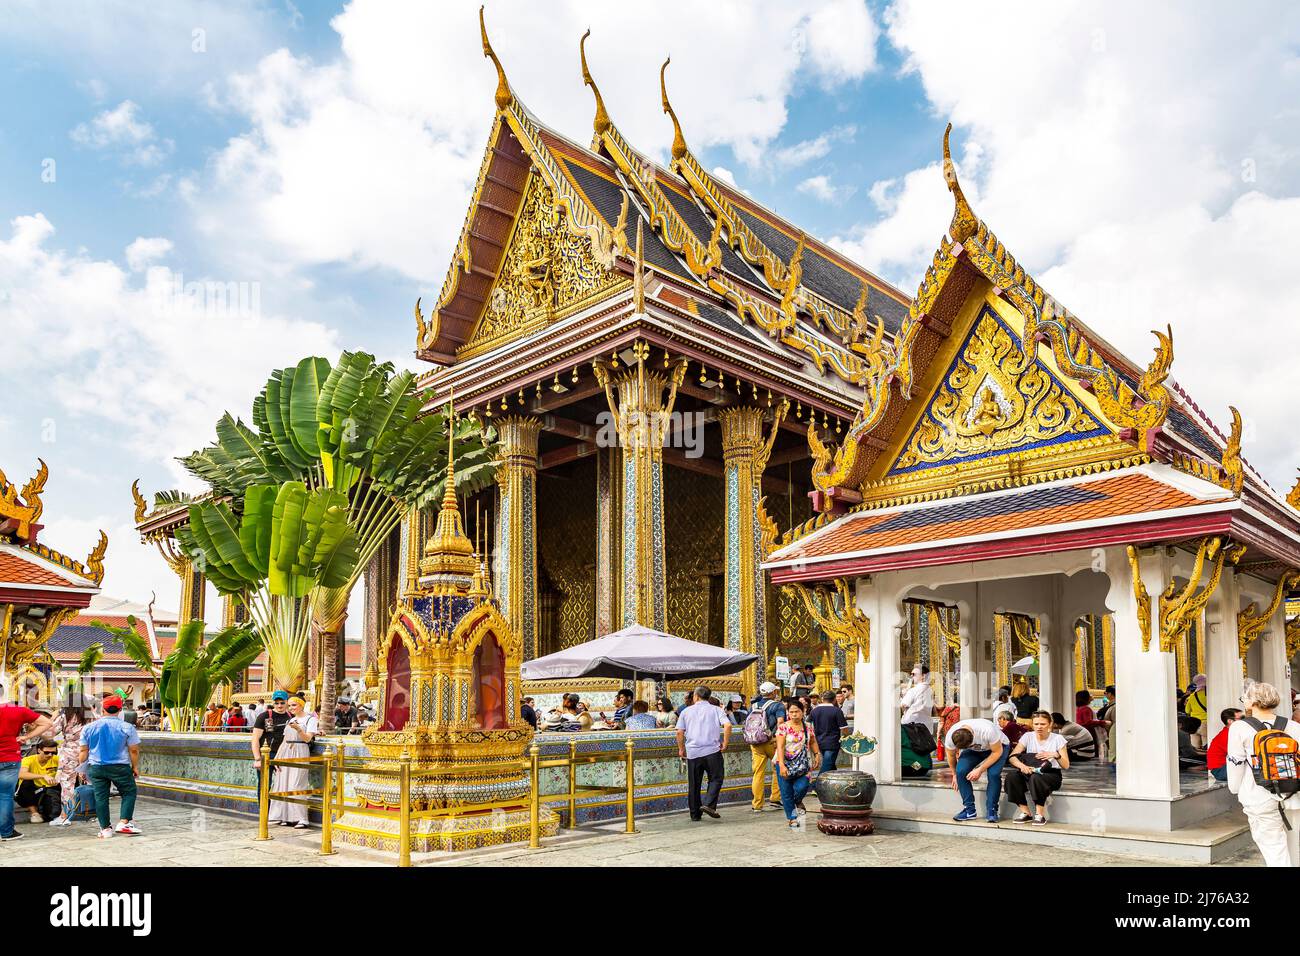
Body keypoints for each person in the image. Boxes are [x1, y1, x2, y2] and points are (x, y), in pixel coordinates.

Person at [1227, 681, 1300, 867]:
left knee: (1274, 850)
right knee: (1294, 849)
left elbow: (1236, 763)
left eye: (1245, 698)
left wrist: (1235, 789)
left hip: (1259, 795)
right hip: (1293, 795)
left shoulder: (1239, 728)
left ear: (1252, 702)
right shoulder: (1293, 726)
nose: (1244, 701)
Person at [78, 695, 141, 838]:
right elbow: (134, 750)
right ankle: (124, 822)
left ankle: (105, 829)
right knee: (129, 792)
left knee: (101, 797)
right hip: (120, 766)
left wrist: (82, 768)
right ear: (119, 710)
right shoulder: (127, 727)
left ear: (102, 710)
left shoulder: (88, 728)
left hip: (96, 767)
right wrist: (135, 766)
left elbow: (83, 751)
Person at [1004, 710, 1070, 826]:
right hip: (1029, 770)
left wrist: (1056, 755)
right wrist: (1022, 766)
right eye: (1036, 724)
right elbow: (1012, 757)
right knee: (1011, 777)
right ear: (1032, 724)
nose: (1039, 727)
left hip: (1050, 774)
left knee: (1036, 778)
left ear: (1050, 724)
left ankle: (1040, 814)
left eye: (1043, 724)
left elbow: (1066, 765)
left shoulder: (1058, 739)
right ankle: (1026, 813)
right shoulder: (1028, 736)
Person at [675, 686, 731, 821]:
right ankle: (708, 804)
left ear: (696, 696)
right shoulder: (716, 710)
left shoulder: (686, 711)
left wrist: (681, 748)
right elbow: (728, 725)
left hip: (693, 752)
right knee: (716, 778)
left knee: (694, 783)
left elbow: (679, 732)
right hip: (712, 751)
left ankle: (695, 814)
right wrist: (725, 742)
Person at [0, 699, 52, 841]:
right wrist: (27, 737)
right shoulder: (17, 709)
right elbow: (47, 723)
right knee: (5, 796)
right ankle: (6, 832)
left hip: (9, 757)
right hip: (9, 757)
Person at [943, 717, 1009, 823]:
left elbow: (997, 752)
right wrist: (954, 775)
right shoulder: (951, 736)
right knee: (961, 771)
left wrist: (980, 770)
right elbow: (950, 756)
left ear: (973, 735)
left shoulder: (987, 730)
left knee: (993, 774)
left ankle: (992, 810)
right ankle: (969, 811)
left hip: (999, 747)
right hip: (975, 751)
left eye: (971, 745)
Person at [268, 696, 318, 829]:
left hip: (300, 751)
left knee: (297, 784)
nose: (291, 708)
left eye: (294, 705)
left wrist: (298, 729)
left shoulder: (310, 719)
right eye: (289, 706)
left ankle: (301, 818)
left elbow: (308, 739)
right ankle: (284, 816)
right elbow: (284, 741)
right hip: (286, 752)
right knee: (283, 784)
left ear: (301, 705)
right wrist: (277, 758)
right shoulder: (291, 720)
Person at [46, 695, 93, 827]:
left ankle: (65, 815)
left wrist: (52, 718)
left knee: (67, 785)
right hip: (89, 751)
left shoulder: (64, 716)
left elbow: (50, 733)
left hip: (69, 753)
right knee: (90, 782)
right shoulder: (91, 716)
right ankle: (90, 811)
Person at [774, 699, 821, 829]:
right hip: (784, 761)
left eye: (797, 711)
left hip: (802, 763)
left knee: (802, 786)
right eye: (791, 712)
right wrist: (781, 764)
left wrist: (817, 754)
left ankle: (798, 800)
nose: (794, 714)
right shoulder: (783, 727)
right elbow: (780, 746)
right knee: (786, 791)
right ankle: (792, 818)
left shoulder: (808, 726)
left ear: (803, 711)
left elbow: (812, 741)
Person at [746, 681, 786, 813]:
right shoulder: (777, 706)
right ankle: (775, 798)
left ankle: (757, 804)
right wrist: (778, 738)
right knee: (777, 769)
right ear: (773, 692)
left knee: (758, 773)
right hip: (772, 741)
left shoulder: (753, 706)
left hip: (756, 742)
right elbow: (780, 722)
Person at [251, 690, 291, 792]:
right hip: (267, 755)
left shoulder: (291, 717)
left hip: (284, 755)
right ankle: (264, 808)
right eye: (276, 703)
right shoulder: (264, 716)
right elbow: (255, 738)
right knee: (265, 785)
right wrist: (257, 759)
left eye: (282, 703)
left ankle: (278, 808)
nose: (279, 705)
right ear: (273, 703)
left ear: (287, 702)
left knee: (284, 785)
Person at [15, 738, 61, 823]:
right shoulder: (28, 760)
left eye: (53, 752)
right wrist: (43, 776)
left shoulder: (56, 759)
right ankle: (34, 813)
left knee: (51, 815)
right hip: (32, 790)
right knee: (25, 782)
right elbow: (21, 774)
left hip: (49, 790)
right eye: (47, 752)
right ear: (39, 750)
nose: (50, 755)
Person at [809, 690, 848, 775]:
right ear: (834, 699)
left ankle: (833, 783)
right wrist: (844, 739)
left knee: (830, 764)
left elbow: (808, 725)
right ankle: (817, 784)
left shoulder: (814, 711)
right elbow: (844, 729)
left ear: (822, 699)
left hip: (818, 741)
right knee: (827, 765)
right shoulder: (836, 711)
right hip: (832, 742)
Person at [1207, 708, 1242, 782]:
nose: (1244, 721)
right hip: (1220, 771)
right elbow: (1239, 753)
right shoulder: (1227, 735)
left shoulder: (1231, 732)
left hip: (1224, 767)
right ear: (1230, 721)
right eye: (1241, 718)